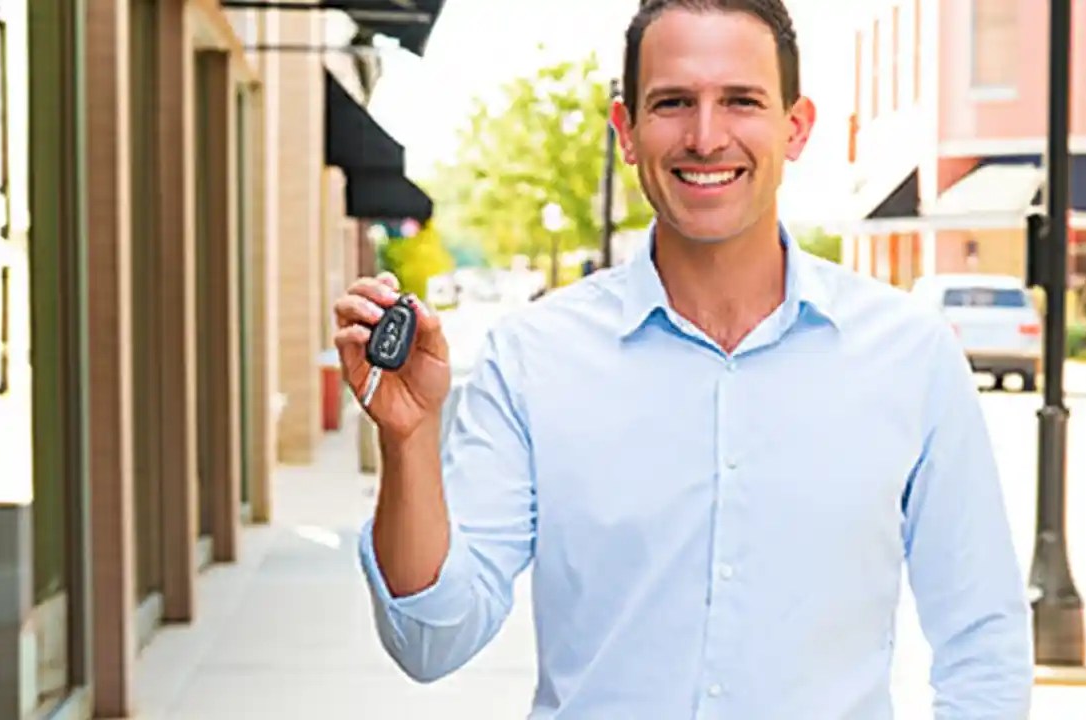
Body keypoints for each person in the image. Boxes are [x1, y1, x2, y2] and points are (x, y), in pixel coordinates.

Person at [332, 0, 1033, 717]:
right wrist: (408, 438)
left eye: (741, 101)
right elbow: (429, 643)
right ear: (626, 130)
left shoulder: (911, 357)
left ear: (795, 128)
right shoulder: (533, 359)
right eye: (672, 102)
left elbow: (983, 643)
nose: (705, 136)